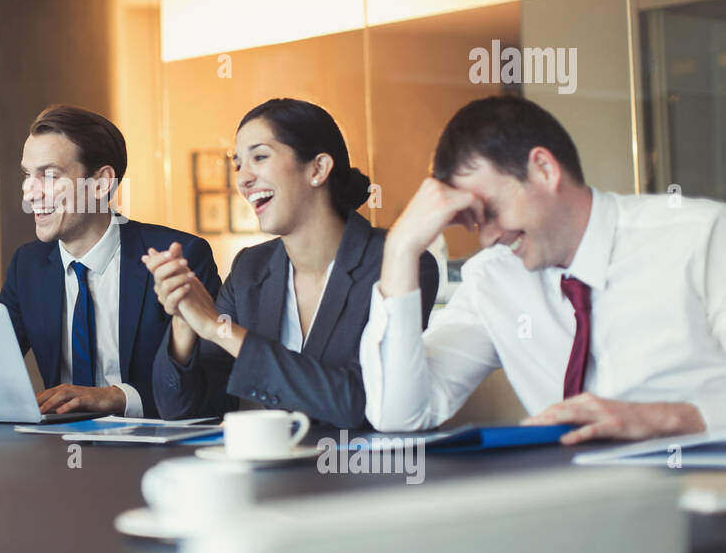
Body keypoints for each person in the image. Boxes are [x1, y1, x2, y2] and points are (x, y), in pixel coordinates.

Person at [362, 95, 726, 443]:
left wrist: (666, 419)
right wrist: (400, 249)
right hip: (573, 500)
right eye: (474, 222)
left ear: (544, 169)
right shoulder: (493, 279)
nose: (487, 239)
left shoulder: (701, 236)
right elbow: (401, 415)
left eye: (491, 210)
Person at [147, 99, 438, 424]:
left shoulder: (398, 264)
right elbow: (183, 409)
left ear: (317, 168)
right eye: (238, 164)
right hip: (279, 469)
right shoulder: (250, 269)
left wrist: (217, 328)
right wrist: (185, 316)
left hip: (367, 470)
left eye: (259, 157)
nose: (243, 179)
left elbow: (363, 403)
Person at [0, 105, 220, 418]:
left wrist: (114, 398)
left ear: (101, 183)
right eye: (27, 176)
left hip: (152, 452)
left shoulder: (180, 255)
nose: (30, 193)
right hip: (57, 451)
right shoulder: (27, 266)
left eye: (48, 176)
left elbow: (213, 393)